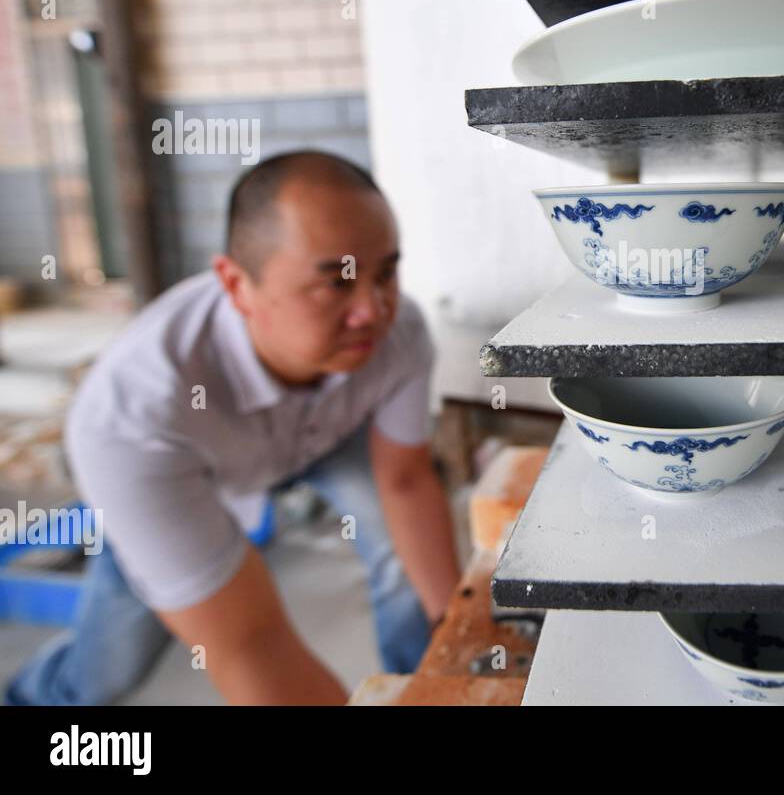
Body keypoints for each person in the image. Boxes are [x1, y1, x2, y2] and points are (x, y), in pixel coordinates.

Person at [5, 149, 460, 705]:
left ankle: (425, 687)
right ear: (235, 283)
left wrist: (459, 650)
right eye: (334, 284)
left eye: (386, 272)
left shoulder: (399, 332)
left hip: (324, 435)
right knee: (109, 667)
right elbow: (251, 643)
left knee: (399, 545)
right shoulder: (133, 417)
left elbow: (406, 480)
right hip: (188, 465)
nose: (373, 310)